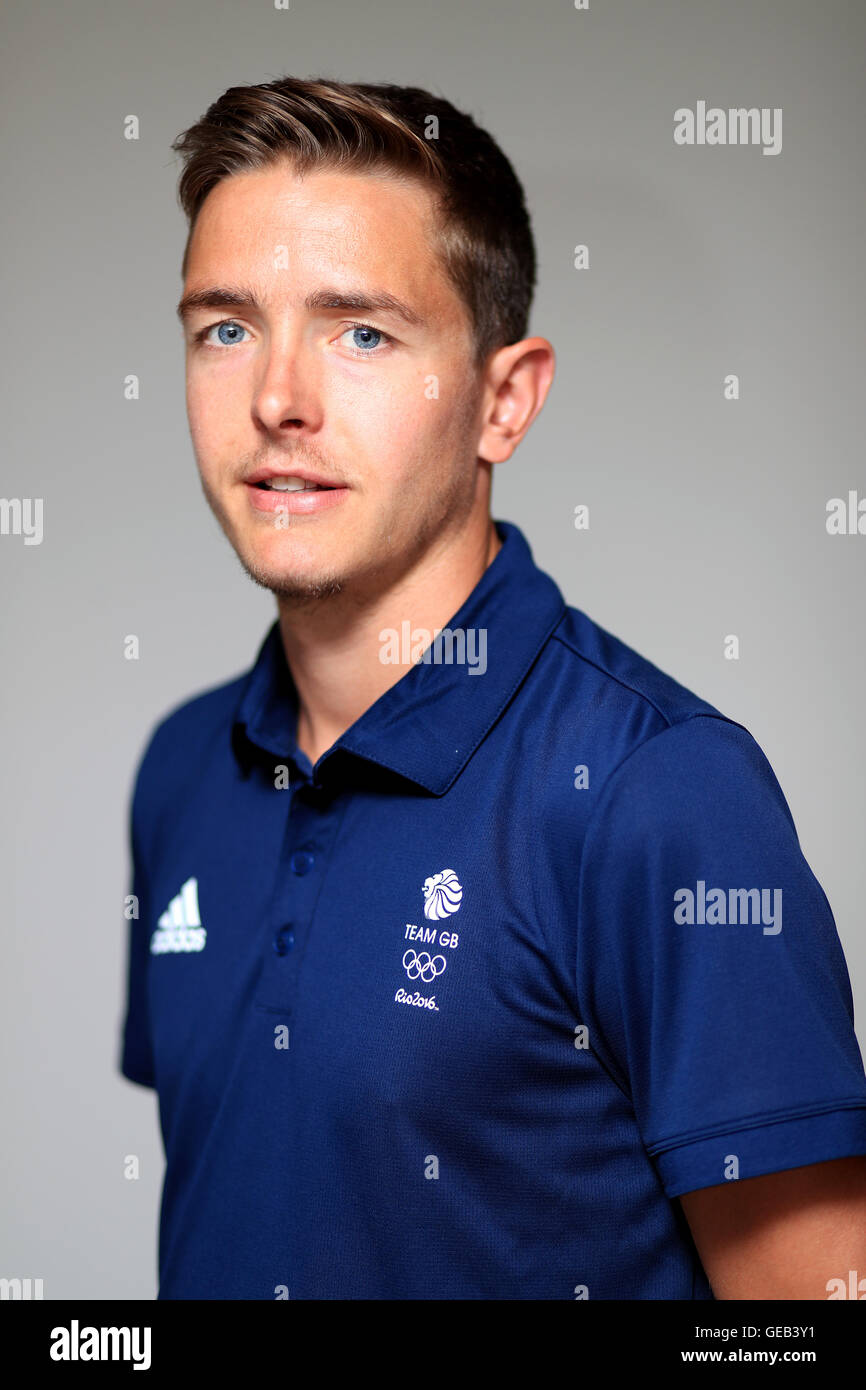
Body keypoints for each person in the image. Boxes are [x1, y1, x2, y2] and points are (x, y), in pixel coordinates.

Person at [120, 74, 866, 1300]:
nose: (276, 400)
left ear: (501, 400)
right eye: (226, 327)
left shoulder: (658, 792)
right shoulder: (182, 767)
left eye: (361, 332)